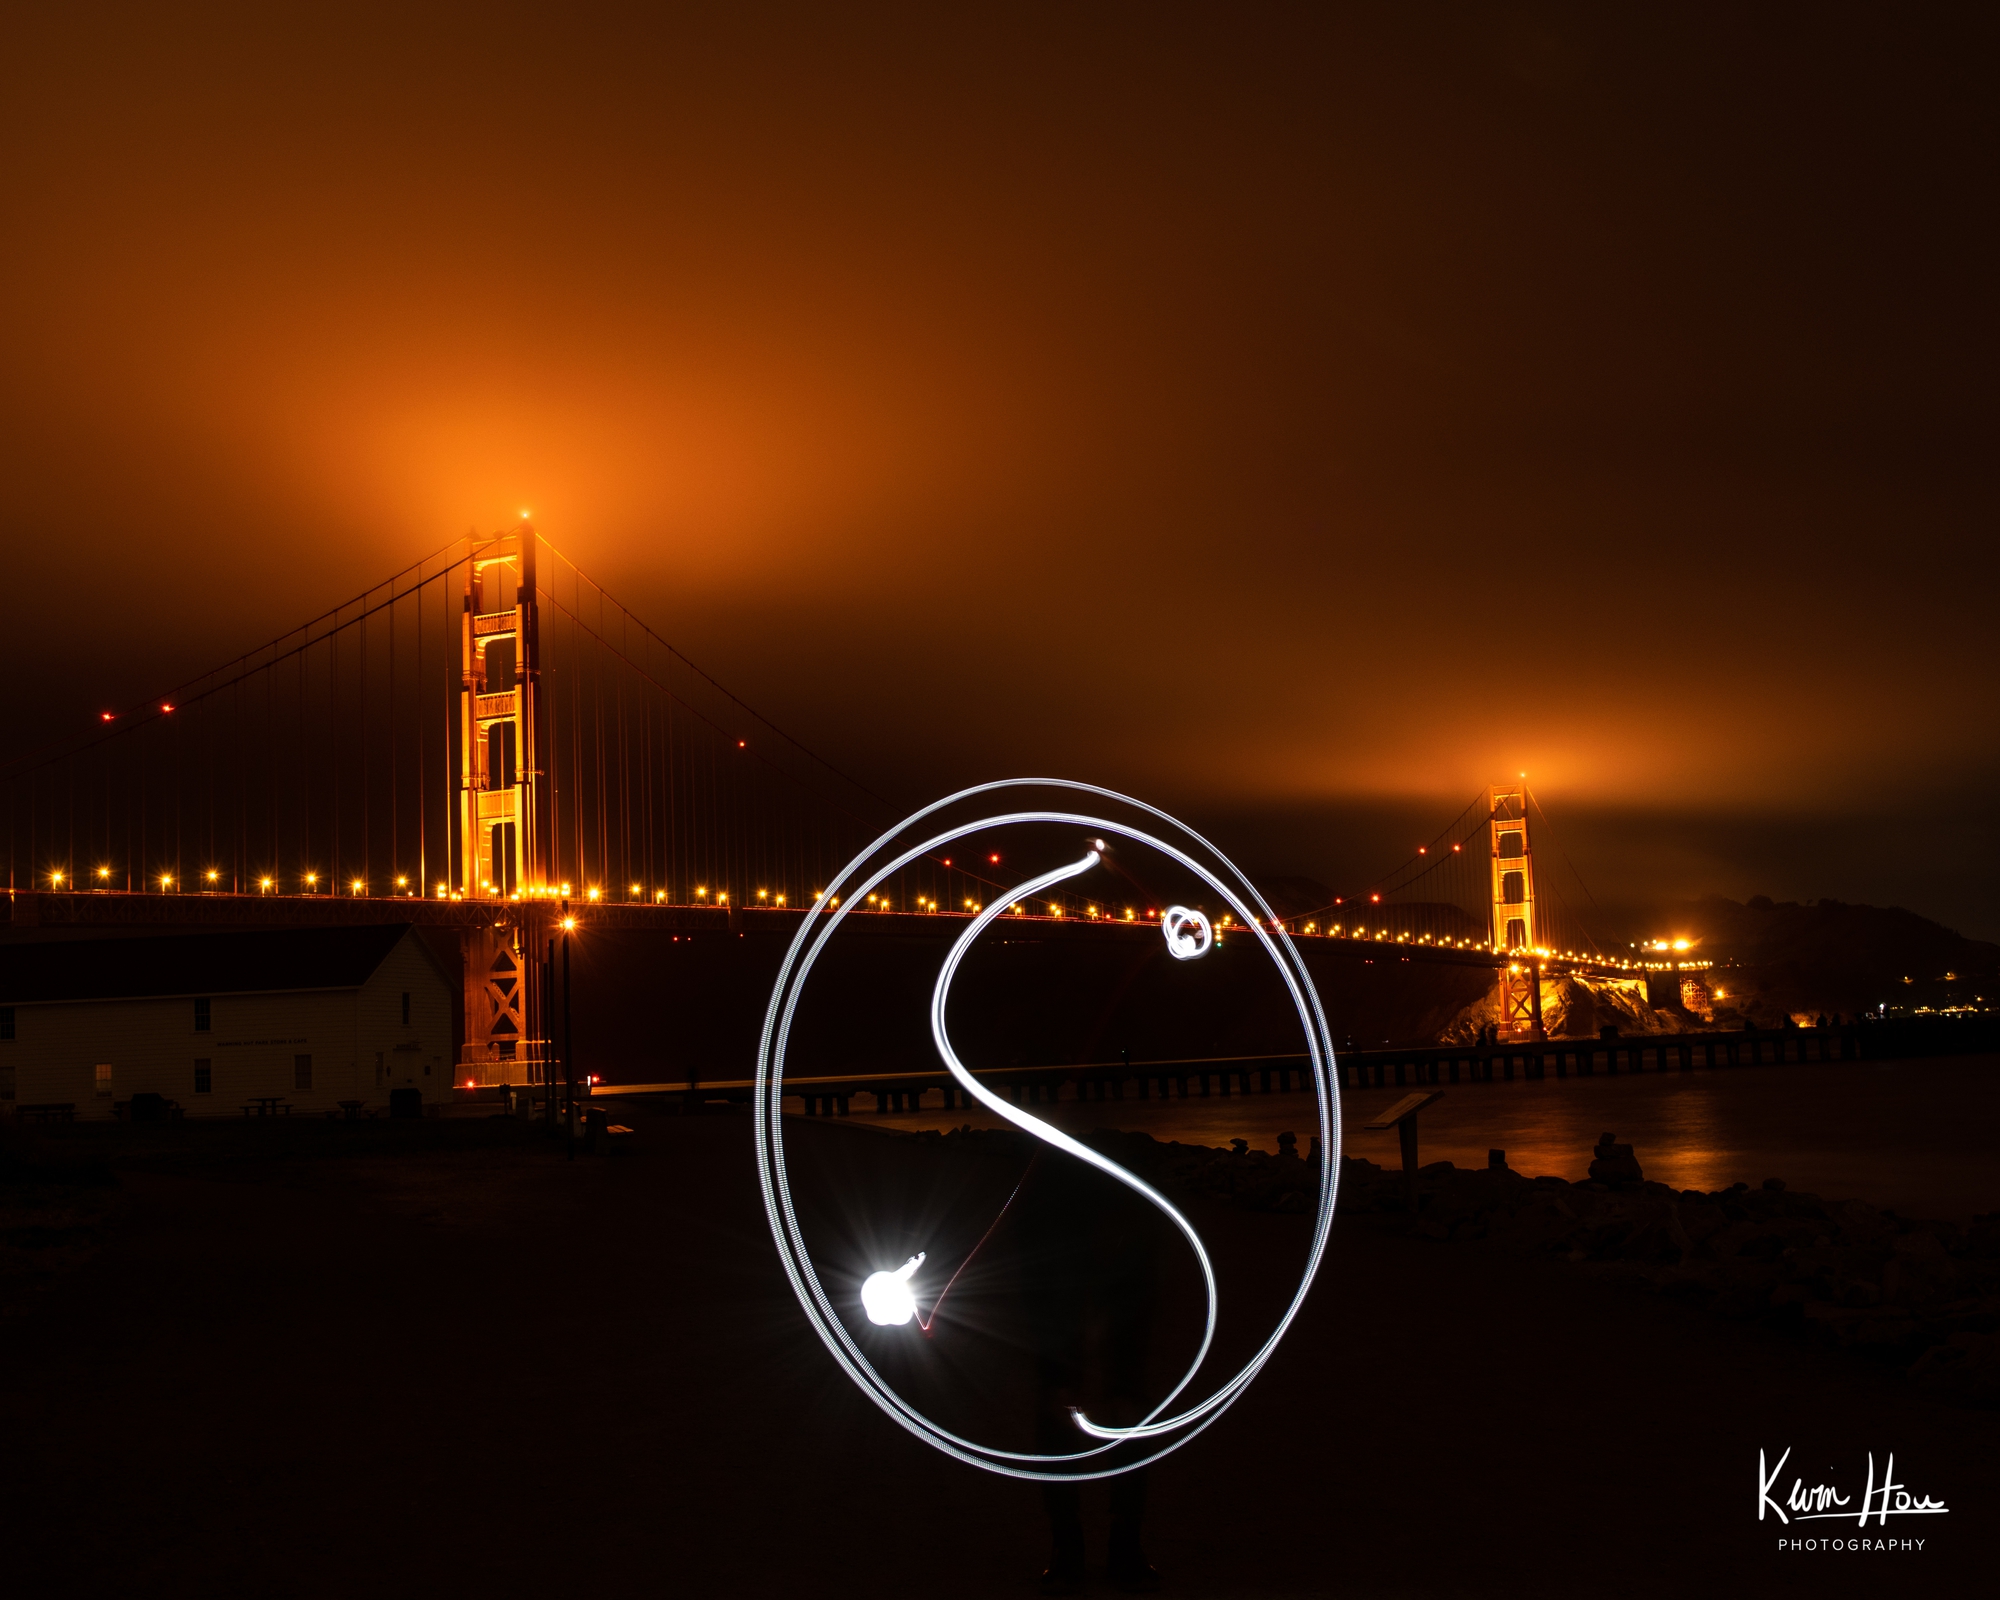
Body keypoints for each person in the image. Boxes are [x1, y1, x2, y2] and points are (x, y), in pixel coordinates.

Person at [1008, 1142, 1165, 1594]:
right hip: (1057, 1203)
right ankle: (1069, 1543)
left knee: (1126, 1397)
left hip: (1119, 1191)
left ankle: (1123, 1542)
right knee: (1059, 1391)